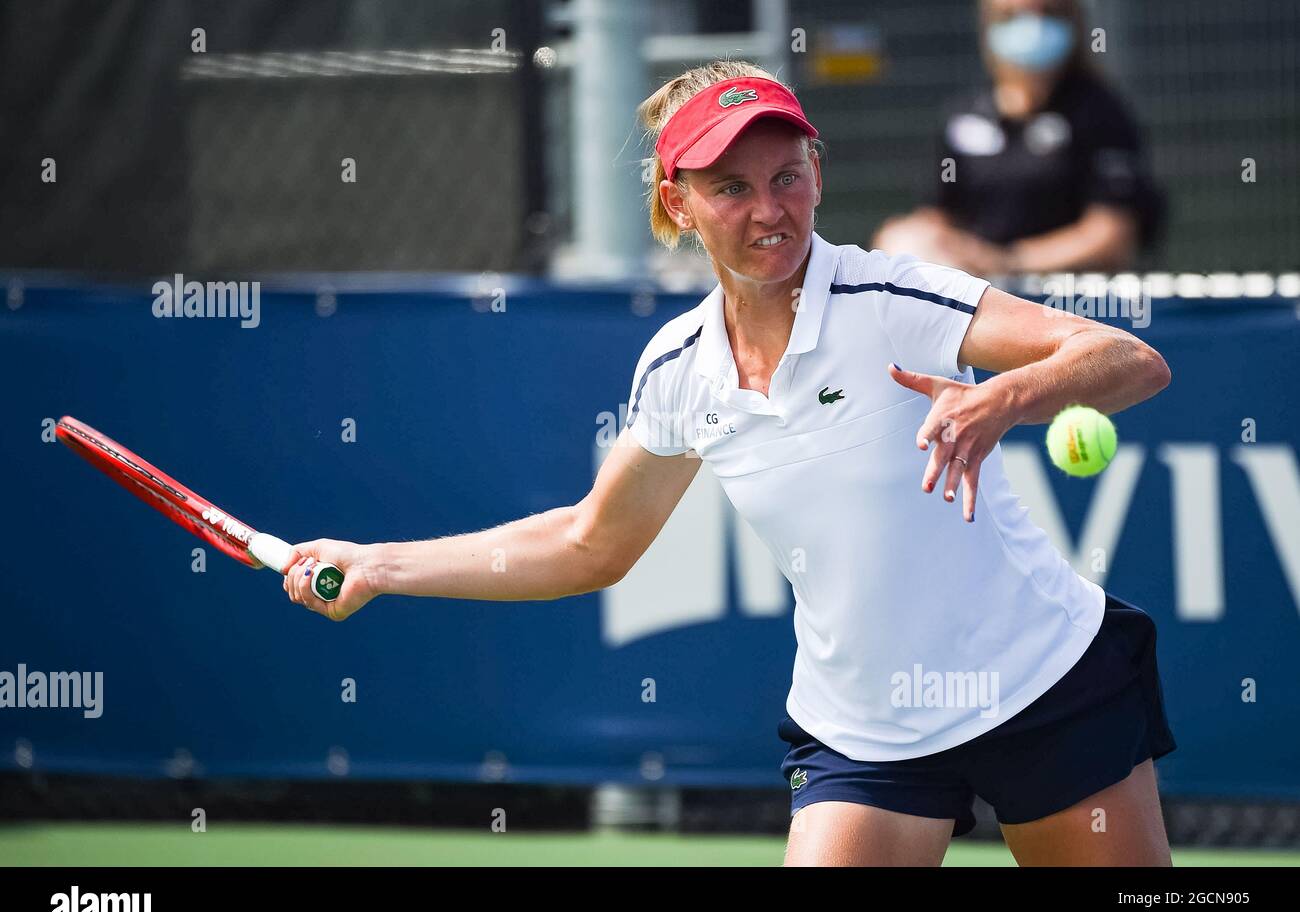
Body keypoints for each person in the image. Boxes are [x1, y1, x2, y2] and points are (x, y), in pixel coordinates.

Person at [278, 60, 1176, 867]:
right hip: (864, 728)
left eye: (787, 177)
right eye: (731, 187)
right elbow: (592, 544)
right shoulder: (679, 370)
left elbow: (1132, 360)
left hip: (1039, 679)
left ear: (817, 173)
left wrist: (1005, 398)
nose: (769, 210)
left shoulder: (893, 298)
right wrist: (379, 564)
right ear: (678, 204)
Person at [873, 0, 1164, 275]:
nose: (1032, 28)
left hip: (1068, 298)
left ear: (1073, 21)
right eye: (1012, 16)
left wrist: (1009, 261)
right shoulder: (964, 115)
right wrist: (934, 241)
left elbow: (1112, 237)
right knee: (902, 239)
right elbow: (938, 215)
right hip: (981, 291)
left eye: (1047, 13)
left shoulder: (1100, 111)